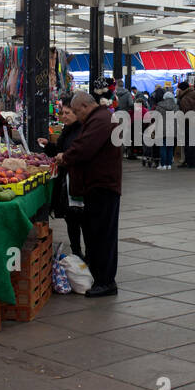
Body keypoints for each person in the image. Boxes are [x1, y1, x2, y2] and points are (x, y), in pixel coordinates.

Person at [56, 91, 121, 297]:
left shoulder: (100, 120)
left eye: (76, 112)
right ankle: (98, 275)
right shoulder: (98, 118)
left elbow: (84, 148)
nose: (76, 116)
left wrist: (65, 157)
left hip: (102, 186)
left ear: (85, 106)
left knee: (102, 235)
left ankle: (106, 282)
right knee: (95, 234)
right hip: (97, 185)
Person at [41, 100, 84, 258]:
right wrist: (48, 145)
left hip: (78, 181)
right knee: (70, 218)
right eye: (62, 113)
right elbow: (59, 149)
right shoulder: (67, 129)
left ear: (76, 113)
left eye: (67, 113)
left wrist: (65, 157)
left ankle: (87, 254)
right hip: (66, 180)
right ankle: (76, 251)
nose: (64, 116)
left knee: (80, 218)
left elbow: (77, 153)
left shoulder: (81, 130)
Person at [177, 79, 195, 167]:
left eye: (179, 89)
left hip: (187, 122)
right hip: (194, 121)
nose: (178, 91)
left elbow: (185, 111)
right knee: (192, 142)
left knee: (187, 142)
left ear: (182, 89)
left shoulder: (185, 98)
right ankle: (191, 162)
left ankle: (188, 162)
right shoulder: (193, 95)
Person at [155, 85, 178, 170]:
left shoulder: (159, 105)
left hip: (162, 129)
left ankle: (163, 164)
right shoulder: (176, 106)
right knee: (170, 147)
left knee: (163, 147)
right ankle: (169, 164)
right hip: (172, 129)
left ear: (164, 97)